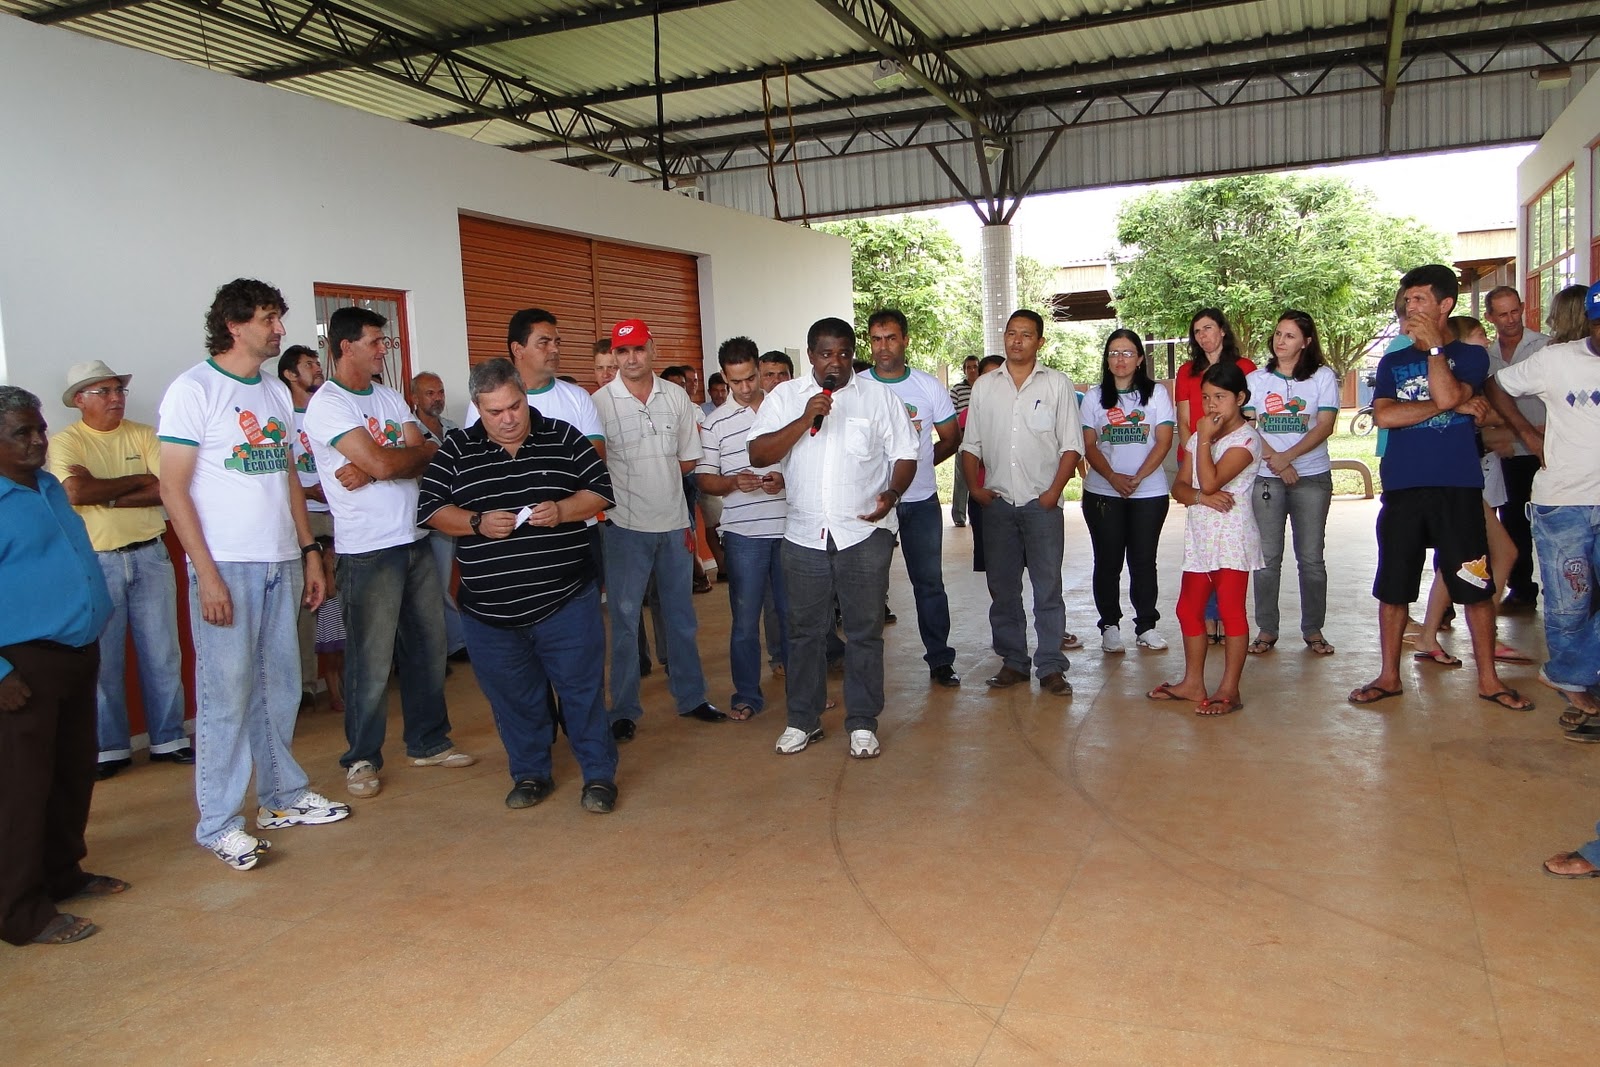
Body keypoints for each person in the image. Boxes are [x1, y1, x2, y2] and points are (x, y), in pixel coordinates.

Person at [158, 279, 348, 870]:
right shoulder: (192, 390)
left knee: (281, 685)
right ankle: (218, 821)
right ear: (235, 324)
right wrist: (205, 574)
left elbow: (289, 477)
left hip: (280, 562)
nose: (280, 329)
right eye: (269, 318)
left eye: (279, 317)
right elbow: (172, 487)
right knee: (226, 697)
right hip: (227, 567)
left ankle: (282, 797)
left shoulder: (271, 391)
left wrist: (308, 551)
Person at [419, 359, 621, 811]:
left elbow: (602, 489)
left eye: (515, 406)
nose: (508, 418)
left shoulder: (563, 437)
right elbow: (430, 509)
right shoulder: (455, 450)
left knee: (581, 691)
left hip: (565, 598)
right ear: (478, 408)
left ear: (524, 397)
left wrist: (564, 511)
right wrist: (475, 522)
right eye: (495, 412)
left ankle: (599, 775)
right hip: (489, 612)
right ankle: (531, 774)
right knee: (514, 698)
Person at [303, 306, 474, 800]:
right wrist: (385, 461)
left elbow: (429, 449)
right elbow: (391, 455)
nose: (384, 349)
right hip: (367, 549)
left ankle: (428, 742)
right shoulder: (329, 403)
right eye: (376, 341)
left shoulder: (387, 395)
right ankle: (361, 757)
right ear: (345, 347)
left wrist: (379, 467)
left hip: (415, 538)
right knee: (370, 660)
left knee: (426, 649)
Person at [1348, 264, 1533, 711]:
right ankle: (1389, 676)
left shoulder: (1470, 356)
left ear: (1445, 304)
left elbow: (1449, 393)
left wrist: (1434, 355)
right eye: (1407, 300)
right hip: (1404, 488)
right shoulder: (1392, 361)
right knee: (1394, 587)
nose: (1409, 307)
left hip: (1458, 488)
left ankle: (1488, 680)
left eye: (1420, 300)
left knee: (1475, 583)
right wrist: (1445, 405)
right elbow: (1389, 414)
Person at [749, 317, 916, 758]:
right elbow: (759, 452)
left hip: (864, 532)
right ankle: (802, 721)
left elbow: (905, 454)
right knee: (803, 633)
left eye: (844, 353)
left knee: (864, 631)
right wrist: (805, 418)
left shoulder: (879, 397)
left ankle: (862, 722)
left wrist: (892, 493)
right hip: (803, 535)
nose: (836, 363)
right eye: (826, 354)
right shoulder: (786, 397)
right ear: (810, 355)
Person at [0, 385, 125, 946]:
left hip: (76, 653)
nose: (36, 441)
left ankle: (62, 874)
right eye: (20, 433)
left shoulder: (49, 487)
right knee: (20, 791)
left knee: (72, 772)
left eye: (39, 429)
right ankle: (19, 913)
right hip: (22, 667)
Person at [48, 361, 192, 778]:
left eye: (118, 391)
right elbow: (75, 492)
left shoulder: (145, 434)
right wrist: (136, 480)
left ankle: (169, 739)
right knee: (104, 660)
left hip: (150, 554)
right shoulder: (65, 443)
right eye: (104, 392)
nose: (116, 399)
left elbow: (166, 487)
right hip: (97, 563)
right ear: (79, 400)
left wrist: (105, 493)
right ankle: (110, 748)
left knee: (163, 653)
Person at [592, 318, 724, 740]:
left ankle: (691, 698)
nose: (631, 358)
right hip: (623, 526)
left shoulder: (677, 397)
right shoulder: (598, 403)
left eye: (638, 349)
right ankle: (625, 710)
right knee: (626, 621)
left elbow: (688, 459)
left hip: (673, 526)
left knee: (681, 618)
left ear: (652, 349)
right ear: (614, 355)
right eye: (623, 351)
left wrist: (660, 481)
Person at [1487, 279, 1600, 735]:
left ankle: (1569, 674)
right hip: (1563, 504)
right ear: (1591, 323)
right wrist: (1527, 435)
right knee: (1567, 608)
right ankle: (1578, 690)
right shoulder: (1556, 361)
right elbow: (1497, 386)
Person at [960, 310, 1084, 694]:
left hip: (1041, 505)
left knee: (1048, 588)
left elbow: (1071, 446)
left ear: (1040, 342)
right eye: (1011, 333)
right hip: (997, 504)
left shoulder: (1057, 385)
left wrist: (1052, 494)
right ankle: (1013, 661)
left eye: (1026, 335)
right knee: (1003, 588)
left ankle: (1050, 666)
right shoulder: (984, 386)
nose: (1016, 341)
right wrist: (976, 491)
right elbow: (970, 445)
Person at [1148, 362, 1263, 715]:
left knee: (1230, 611)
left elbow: (1210, 480)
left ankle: (1230, 689)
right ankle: (1193, 682)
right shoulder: (1200, 437)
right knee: (1188, 608)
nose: (1212, 405)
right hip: (1200, 535)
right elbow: (1180, 487)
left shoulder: (1247, 440)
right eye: (1206, 397)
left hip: (1231, 536)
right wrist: (1199, 497)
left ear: (1240, 398)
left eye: (1220, 397)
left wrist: (1203, 445)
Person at [1411, 316, 1526, 668]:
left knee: (1465, 559)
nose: (1486, 341)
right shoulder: (1459, 383)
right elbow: (1480, 421)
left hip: (1469, 481)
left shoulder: (1470, 383)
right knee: (1498, 553)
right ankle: (1480, 634)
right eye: (1480, 336)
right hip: (1458, 482)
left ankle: (1434, 634)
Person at [864, 309, 961, 687]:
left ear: (905, 340)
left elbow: (951, 437)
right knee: (868, 588)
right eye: (875, 339)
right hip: (872, 504)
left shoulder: (927, 387)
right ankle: (865, 664)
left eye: (890, 337)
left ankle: (940, 660)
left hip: (920, 501)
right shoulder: (858, 386)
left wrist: (921, 464)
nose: (883, 346)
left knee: (929, 583)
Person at [697, 337, 789, 720]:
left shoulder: (785, 411)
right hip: (743, 535)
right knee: (745, 620)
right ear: (724, 378)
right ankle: (747, 695)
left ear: (759, 369)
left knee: (795, 617)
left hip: (790, 530)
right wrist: (735, 482)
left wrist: (785, 482)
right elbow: (705, 480)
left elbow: (807, 465)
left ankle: (808, 691)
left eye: (752, 377)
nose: (747, 388)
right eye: (736, 382)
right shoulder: (714, 423)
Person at [1244, 310, 1340, 657]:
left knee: (1311, 559)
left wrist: (1290, 458)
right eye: (1278, 334)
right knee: (1268, 559)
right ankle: (1267, 629)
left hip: (1311, 476)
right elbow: (1250, 427)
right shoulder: (1256, 380)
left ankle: (1313, 630)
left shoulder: (1322, 377)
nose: (1280, 341)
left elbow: (1325, 425)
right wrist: (1276, 460)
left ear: (1306, 342)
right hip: (1267, 478)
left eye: (1289, 336)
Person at [1079, 331, 1174, 653]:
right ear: (1107, 359)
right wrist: (1112, 477)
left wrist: (1137, 478)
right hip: (1103, 492)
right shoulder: (1093, 397)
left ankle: (1146, 625)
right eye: (1114, 353)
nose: (1120, 359)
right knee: (1107, 561)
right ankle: (1109, 625)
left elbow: (1163, 441)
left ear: (1140, 359)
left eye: (1127, 353)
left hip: (1149, 492)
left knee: (1143, 560)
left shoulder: (1157, 394)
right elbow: (1088, 445)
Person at [1484, 285, 1548, 611]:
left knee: (1552, 519)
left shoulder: (1546, 347)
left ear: (1522, 308)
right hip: (1509, 451)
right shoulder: (1486, 356)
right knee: (1513, 522)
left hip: (1547, 449)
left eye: (1515, 311)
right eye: (1503, 314)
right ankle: (1522, 590)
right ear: (1490, 317)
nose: (1511, 320)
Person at [277, 344, 334, 704]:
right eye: (308, 364)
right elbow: (284, 472)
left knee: (340, 603)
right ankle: (302, 686)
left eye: (317, 362)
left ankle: (340, 682)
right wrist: (309, 488)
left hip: (339, 514)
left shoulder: (327, 412)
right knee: (305, 605)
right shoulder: (282, 415)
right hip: (304, 517)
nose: (317, 368)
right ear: (289, 375)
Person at [411, 371, 468, 663]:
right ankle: (444, 648)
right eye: (431, 393)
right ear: (416, 398)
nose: (438, 398)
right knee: (436, 585)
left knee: (462, 581)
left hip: (461, 512)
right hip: (432, 516)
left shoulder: (454, 429)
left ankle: (457, 642)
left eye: (441, 392)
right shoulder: (410, 431)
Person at [948, 354, 980, 527]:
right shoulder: (957, 390)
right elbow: (951, 415)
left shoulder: (985, 386)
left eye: (975, 366)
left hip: (984, 439)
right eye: (969, 367)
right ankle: (959, 516)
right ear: (964, 370)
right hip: (963, 438)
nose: (972, 370)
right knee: (962, 479)